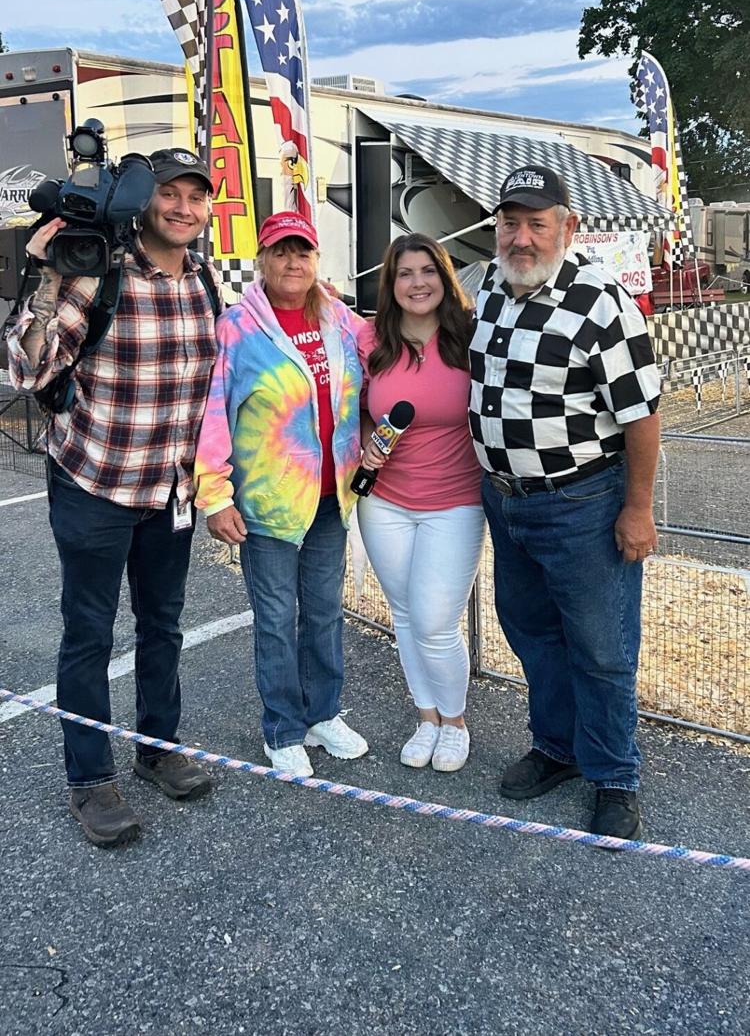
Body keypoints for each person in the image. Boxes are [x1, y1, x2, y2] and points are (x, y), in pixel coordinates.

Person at [7, 148, 221, 848]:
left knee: (162, 625)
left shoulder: (205, 279)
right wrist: (45, 273)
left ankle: (158, 748)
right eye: (170, 193)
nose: (184, 207)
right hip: (95, 482)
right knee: (89, 634)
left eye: (197, 195)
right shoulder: (97, 272)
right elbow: (25, 364)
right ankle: (90, 779)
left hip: (170, 489)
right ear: (141, 199)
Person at [469, 165, 661, 840]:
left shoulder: (602, 301)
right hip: (508, 502)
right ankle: (558, 747)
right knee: (531, 630)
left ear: (568, 227)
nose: (521, 236)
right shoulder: (491, 283)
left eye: (536, 222)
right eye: (510, 221)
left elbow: (640, 414)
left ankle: (614, 774)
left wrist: (637, 508)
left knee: (602, 645)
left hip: (583, 502)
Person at [194, 210, 368, 777]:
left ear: (316, 260)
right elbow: (214, 413)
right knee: (275, 617)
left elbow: (388, 350)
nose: (293, 262)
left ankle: (324, 714)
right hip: (269, 503)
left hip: (330, 498)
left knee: (323, 614)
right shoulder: (238, 328)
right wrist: (214, 494)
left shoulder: (339, 318)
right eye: (280, 252)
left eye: (303, 252)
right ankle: (282, 729)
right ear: (263, 260)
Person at [356, 235, 485, 773]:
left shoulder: (471, 337)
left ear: (445, 277)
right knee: (406, 615)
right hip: (383, 502)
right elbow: (359, 405)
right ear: (391, 284)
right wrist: (365, 438)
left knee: (435, 620)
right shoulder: (370, 340)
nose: (417, 283)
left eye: (428, 271)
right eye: (404, 273)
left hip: (455, 502)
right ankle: (426, 717)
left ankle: (455, 722)